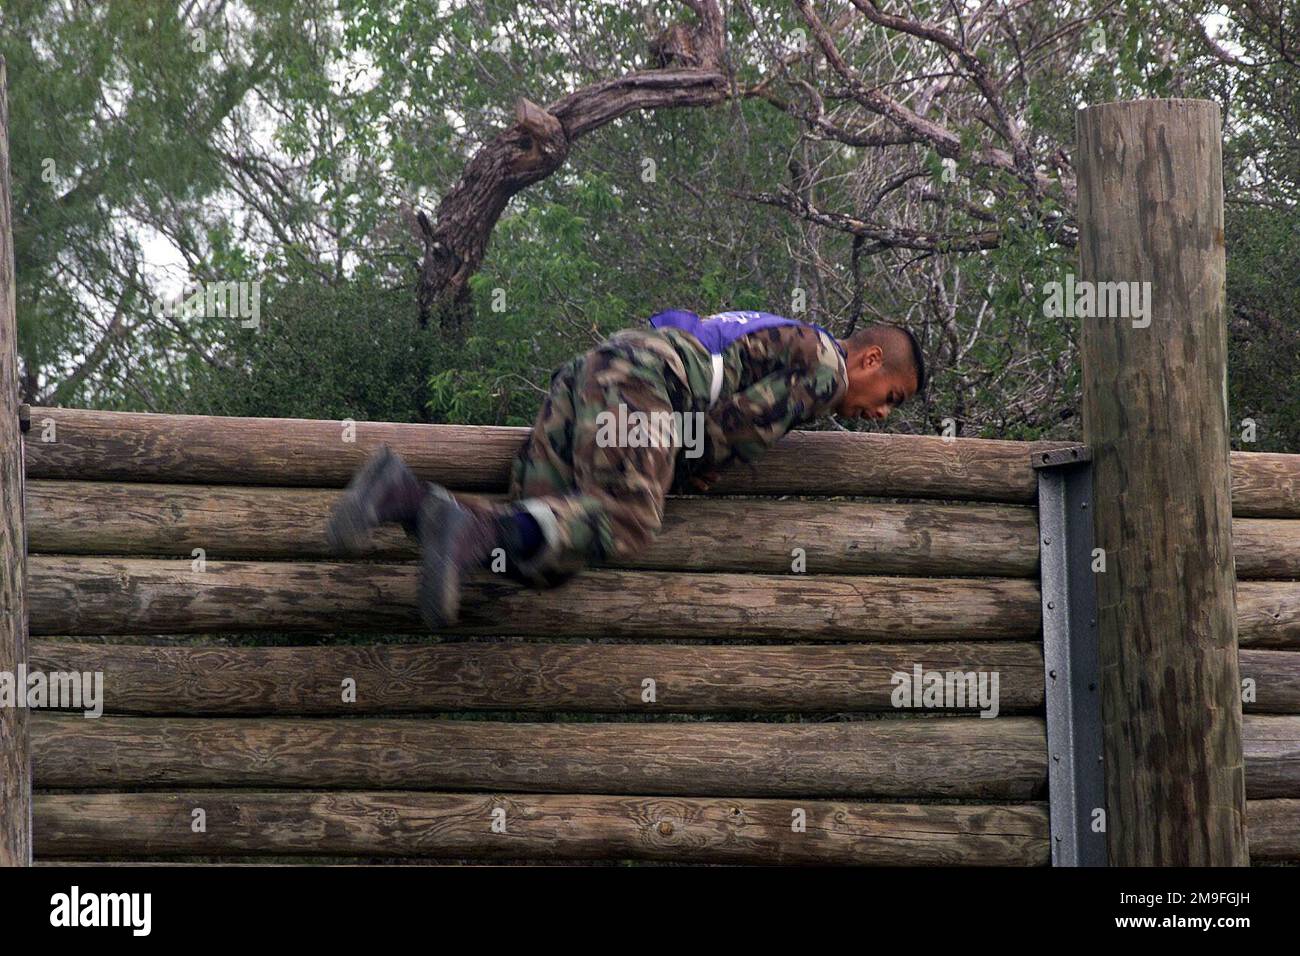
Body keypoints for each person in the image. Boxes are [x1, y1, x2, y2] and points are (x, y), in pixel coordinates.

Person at [327, 308, 926, 627]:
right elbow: (737, 428)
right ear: (870, 359)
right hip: (641, 383)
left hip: (591, 373)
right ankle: (466, 530)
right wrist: (688, 468)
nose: (878, 413)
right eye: (889, 397)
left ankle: (404, 496)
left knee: (547, 555)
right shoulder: (827, 368)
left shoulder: (789, 333)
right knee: (631, 517)